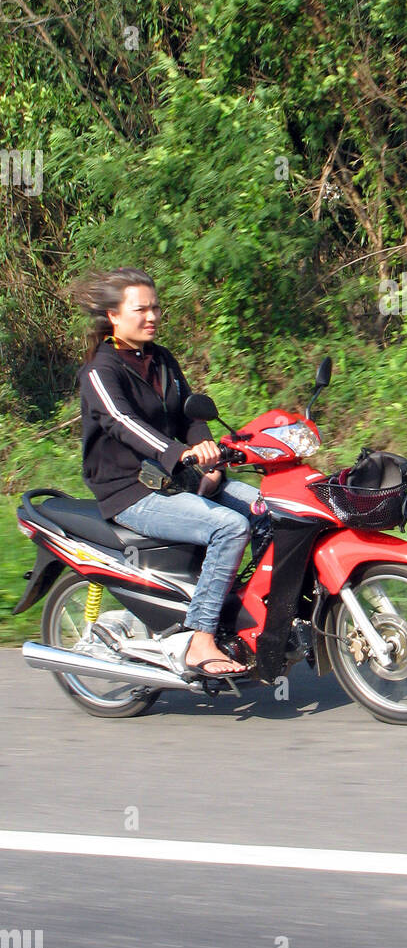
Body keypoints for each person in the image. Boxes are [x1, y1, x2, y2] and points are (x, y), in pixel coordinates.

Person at [70, 266, 259, 676]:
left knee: (267, 509)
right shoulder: (100, 371)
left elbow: (190, 411)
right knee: (229, 528)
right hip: (131, 490)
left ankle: (254, 618)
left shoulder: (161, 360)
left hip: (175, 480)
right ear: (114, 317)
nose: (152, 316)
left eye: (156, 307)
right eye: (141, 309)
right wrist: (181, 455)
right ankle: (200, 639)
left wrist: (209, 450)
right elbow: (122, 421)